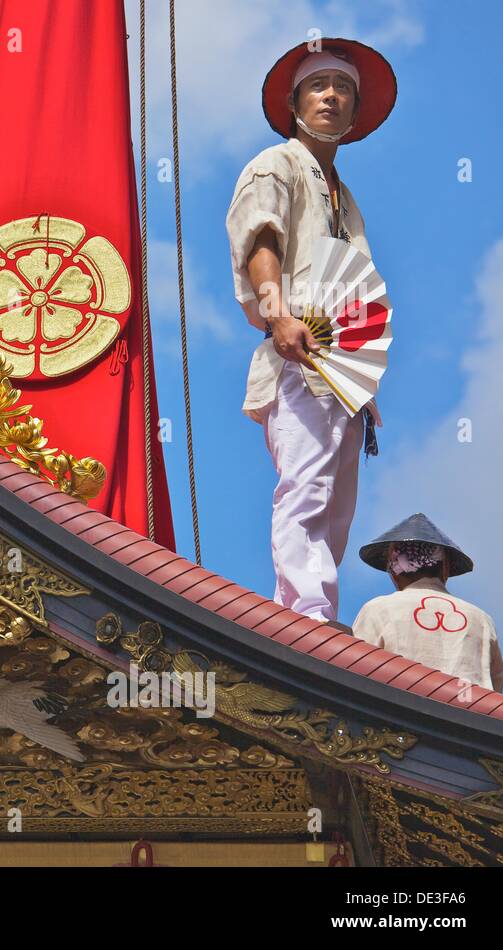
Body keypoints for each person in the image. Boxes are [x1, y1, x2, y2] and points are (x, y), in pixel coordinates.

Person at [225, 39, 397, 623]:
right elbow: (261, 241)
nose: (331, 95)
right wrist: (278, 316)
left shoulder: (344, 196)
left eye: (342, 87)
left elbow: (357, 288)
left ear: (354, 110)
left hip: (342, 368)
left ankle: (319, 606)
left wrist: (363, 381)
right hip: (298, 355)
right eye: (319, 85)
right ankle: (304, 614)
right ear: (296, 102)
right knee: (306, 484)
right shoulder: (274, 165)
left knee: (338, 503)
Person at [353, 513, 503, 693]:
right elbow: (496, 688)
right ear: (445, 568)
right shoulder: (480, 619)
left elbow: (355, 671)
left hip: (397, 712)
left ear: (394, 571)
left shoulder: (378, 609)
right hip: (469, 716)